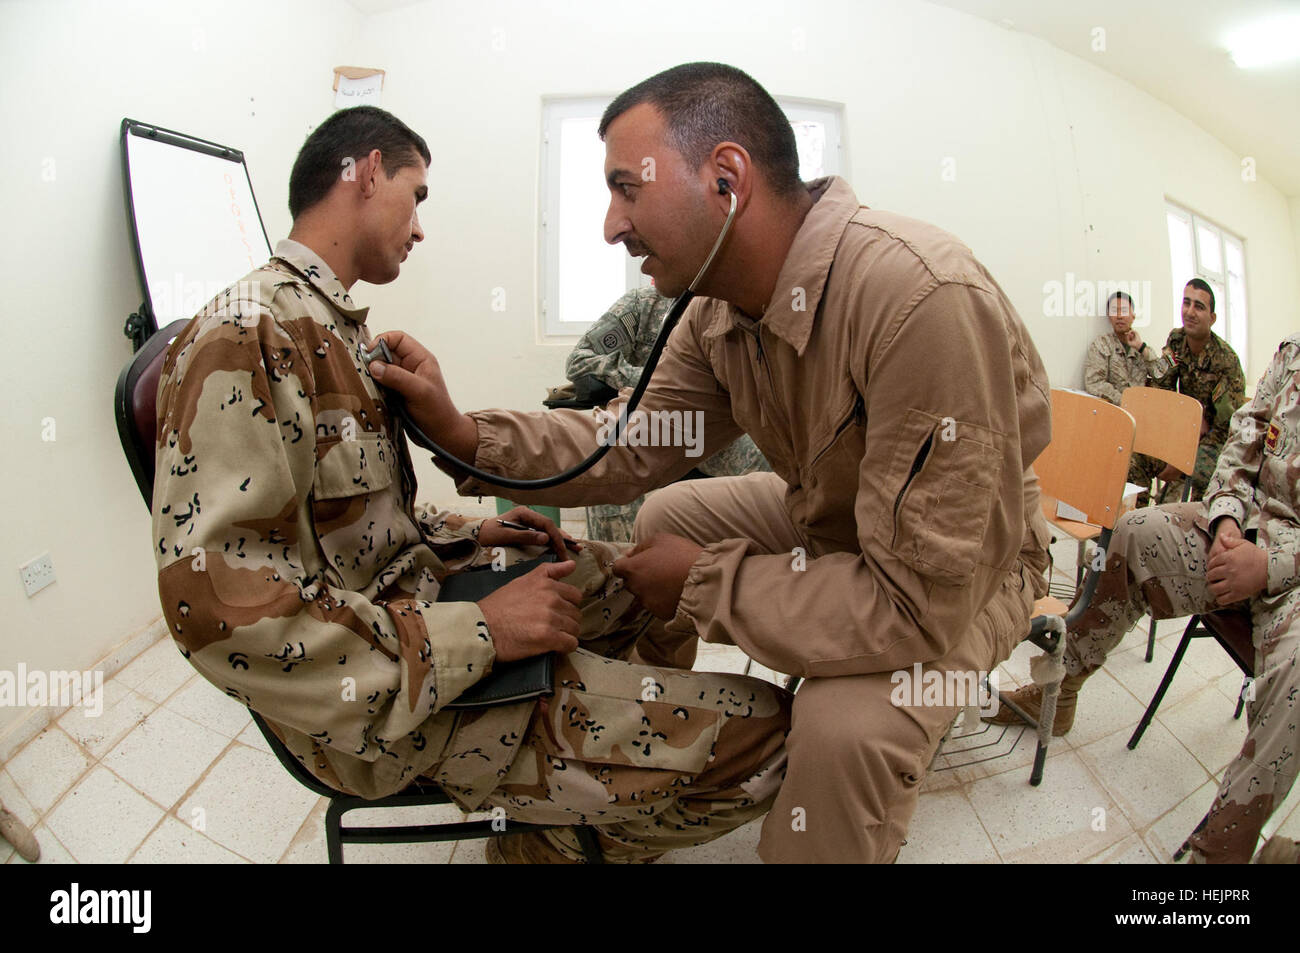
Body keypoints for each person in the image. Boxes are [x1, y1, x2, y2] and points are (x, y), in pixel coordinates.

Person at [368, 63, 1054, 863]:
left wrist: (707, 583)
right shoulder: (719, 312)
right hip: (838, 519)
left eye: (628, 189)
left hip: (971, 570)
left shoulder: (919, 300)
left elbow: (914, 604)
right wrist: (461, 431)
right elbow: (633, 445)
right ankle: (643, 773)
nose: (609, 227)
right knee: (665, 514)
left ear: (726, 179)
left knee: (841, 731)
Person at [151, 105, 790, 864]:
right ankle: (556, 832)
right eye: (416, 194)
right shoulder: (247, 330)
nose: (420, 227)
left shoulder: (337, 331)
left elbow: (366, 535)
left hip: (420, 609)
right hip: (381, 704)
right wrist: (486, 630)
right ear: (364, 171)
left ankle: (591, 770)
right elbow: (224, 613)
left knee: (662, 591)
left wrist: (475, 534)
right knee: (776, 741)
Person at [988, 333, 1300, 863]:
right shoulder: (1292, 354)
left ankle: (1218, 855)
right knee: (1134, 533)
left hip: (1292, 570)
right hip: (1244, 523)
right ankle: (1060, 687)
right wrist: (1225, 517)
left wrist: (1269, 567)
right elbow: (1244, 435)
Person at [565, 286, 770, 544]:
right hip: (653, 425)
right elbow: (578, 361)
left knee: (772, 480)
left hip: (714, 433)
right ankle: (618, 566)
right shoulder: (643, 305)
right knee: (604, 469)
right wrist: (649, 381)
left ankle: (760, 571)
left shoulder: (728, 304)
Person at [1146, 279, 1246, 501]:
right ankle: (1130, 522)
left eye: (1199, 307)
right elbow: (1159, 387)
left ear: (1212, 318)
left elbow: (1227, 427)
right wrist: (1183, 422)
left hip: (1216, 443)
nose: (1190, 312)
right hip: (1185, 430)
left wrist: (1181, 461)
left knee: (1186, 488)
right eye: (1186, 303)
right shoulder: (1177, 339)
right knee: (1137, 456)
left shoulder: (1226, 361)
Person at [1083, 290, 1167, 491]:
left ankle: (1143, 510)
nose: (1119, 315)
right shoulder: (1101, 345)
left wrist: (1142, 347)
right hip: (1114, 422)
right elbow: (1094, 383)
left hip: (1143, 426)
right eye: (1114, 311)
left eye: (1123, 310)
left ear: (1133, 314)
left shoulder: (1140, 349)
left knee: (1165, 461)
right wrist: (1127, 403)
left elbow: (1161, 374)